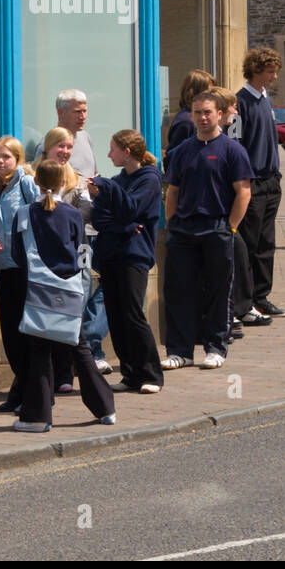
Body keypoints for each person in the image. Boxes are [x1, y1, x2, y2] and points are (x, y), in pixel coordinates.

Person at [10, 161, 116, 432]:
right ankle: (105, 409)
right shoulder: (73, 214)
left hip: (38, 288)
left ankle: (38, 417)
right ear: (62, 183)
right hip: (70, 288)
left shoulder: (24, 214)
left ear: (35, 182)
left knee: (39, 352)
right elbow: (83, 251)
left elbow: (17, 255)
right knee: (80, 349)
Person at [162, 91, 253, 371]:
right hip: (183, 231)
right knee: (179, 292)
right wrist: (172, 225)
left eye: (208, 112)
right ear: (191, 116)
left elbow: (244, 192)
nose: (203, 117)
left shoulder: (232, 150)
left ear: (220, 115)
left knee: (217, 291)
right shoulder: (181, 152)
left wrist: (231, 226)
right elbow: (172, 191)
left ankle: (216, 348)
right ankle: (180, 352)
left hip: (217, 228)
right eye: (198, 112)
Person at [35, 89, 110, 374]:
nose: (83, 116)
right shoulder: (50, 143)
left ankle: (89, 345)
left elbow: (92, 180)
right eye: (77, 110)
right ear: (61, 112)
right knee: (78, 288)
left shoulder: (87, 138)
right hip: (64, 237)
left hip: (88, 231)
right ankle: (84, 352)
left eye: (86, 109)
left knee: (96, 285)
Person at [86, 130, 164, 394]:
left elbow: (131, 207)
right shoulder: (118, 180)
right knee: (116, 316)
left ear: (127, 151)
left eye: (112, 149)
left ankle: (151, 375)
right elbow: (99, 218)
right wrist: (126, 227)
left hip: (134, 256)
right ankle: (130, 374)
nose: (109, 155)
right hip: (111, 255)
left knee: (132, 314)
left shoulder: (149, 179)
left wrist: (107, 189)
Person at [0, 137, 39, 414]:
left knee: (28, 331)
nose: (1, 162)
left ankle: (32, 390)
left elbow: (41, 214)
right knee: (11, 332)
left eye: (6, 157)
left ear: (17, 160)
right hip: (2, 265)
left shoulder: (25, 183)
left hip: (26, 265)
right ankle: (21, 384)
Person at [230, 48, 284, 321]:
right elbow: (236, 145)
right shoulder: (241, 102)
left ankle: (261, 297)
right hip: (252, 184)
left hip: (271, 182)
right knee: (248, 245)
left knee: (266, 244)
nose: (275, 76)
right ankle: (245, 301)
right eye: (270, 70)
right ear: (255, 69)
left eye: (276, 70)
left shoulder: (265, 100)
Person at [42, 126, 97, 387]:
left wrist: (59, 213)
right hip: (42, 258)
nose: (64, 152)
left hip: (75, 255)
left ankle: (65, 374)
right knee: (44, 316)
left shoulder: (77, 179)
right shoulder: (33, 174)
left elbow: (86, 213)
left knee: (71, 313)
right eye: (60, 146)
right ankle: (48, 374)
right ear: (48, 147)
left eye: (68, 147)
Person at [208, 88, 264, 332]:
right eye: (232, 107)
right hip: (212, 216)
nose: (236, 111)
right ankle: (231, 312)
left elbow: (243, 188)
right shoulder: (203, 141)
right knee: (234, 255)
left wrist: (231, 224)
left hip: (225, 216)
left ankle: (237, 308)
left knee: (240, 253)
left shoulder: (229, 142)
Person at [166, 69, 216, 161]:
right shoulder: (186, 122)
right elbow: (173, 158)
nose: (213, 95)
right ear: (196, 92)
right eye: (209, 92)